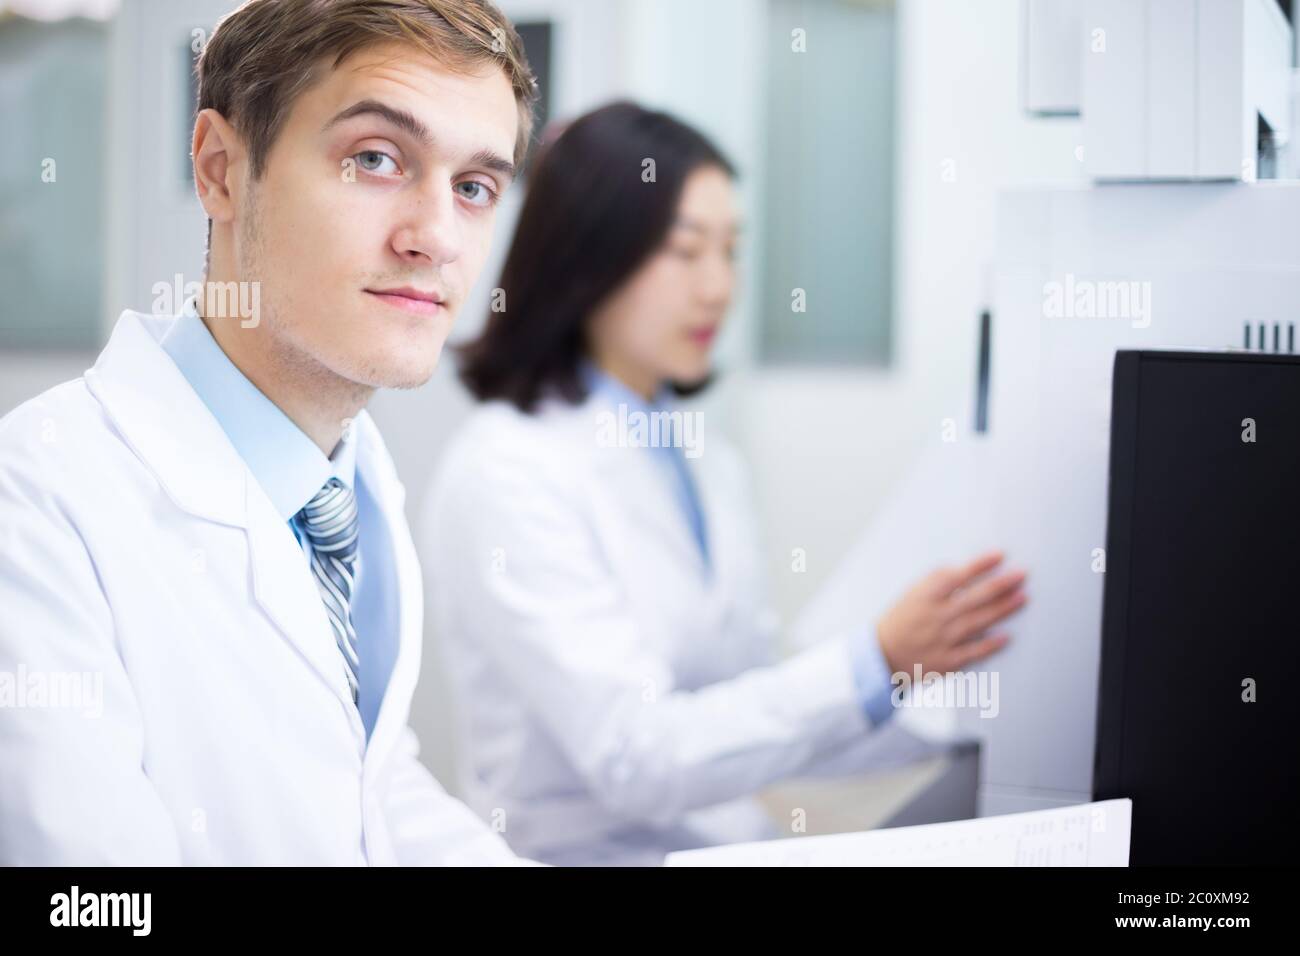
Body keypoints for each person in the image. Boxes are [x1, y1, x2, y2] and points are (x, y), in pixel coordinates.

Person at [0, 0, 538, 865]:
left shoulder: (344, 479)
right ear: (220, 168)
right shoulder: (36, 505)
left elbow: (365, 781)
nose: (436, 237)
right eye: (374, 158)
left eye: (474, 187)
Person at [424, 102, 1030, 866]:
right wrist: (874, 659)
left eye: (732, 250)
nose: (718, 287)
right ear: (590, 257)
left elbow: (753, 718)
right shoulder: (506, 473)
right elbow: (639, 757)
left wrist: (958, 701)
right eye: (686, 251)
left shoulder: (705, 460)